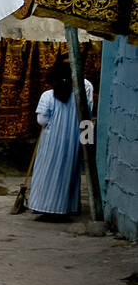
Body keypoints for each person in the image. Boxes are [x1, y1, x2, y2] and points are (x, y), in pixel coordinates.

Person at [28, 59, 94, 219]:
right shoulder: (81, 96)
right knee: (68, 173)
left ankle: (45, 207)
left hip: (51, 142)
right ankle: (66, 207)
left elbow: (41, 121)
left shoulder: (48, 96)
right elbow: (88, 117)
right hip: (72, 142)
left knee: (47, 172)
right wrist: (88, 142)